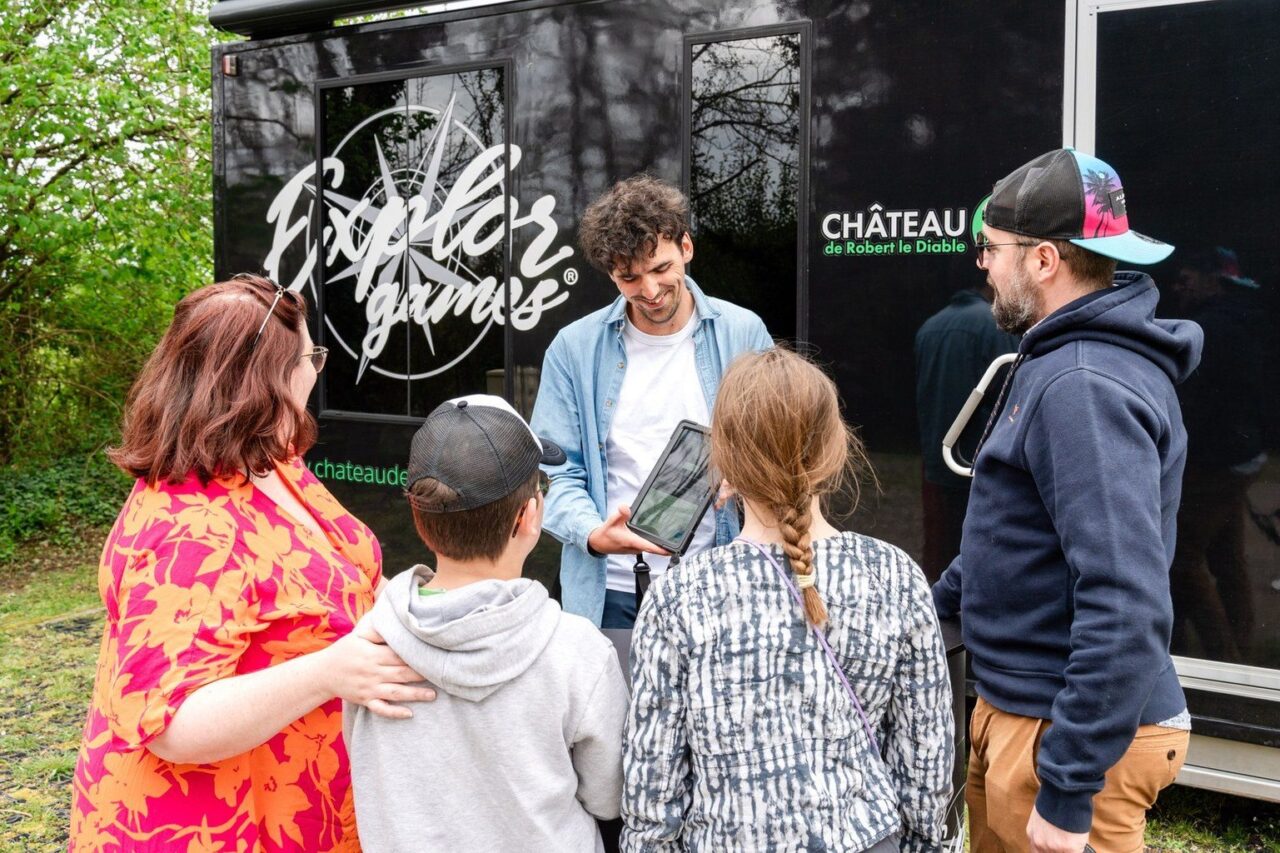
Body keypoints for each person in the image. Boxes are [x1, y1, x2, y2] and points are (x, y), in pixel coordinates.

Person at [69, 274, 436, 852]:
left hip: (304, 799)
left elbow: (347, 573)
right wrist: (329, 673)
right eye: (311, 356)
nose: (316, 370)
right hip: (211, 825)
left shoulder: (272, 461)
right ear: (267, 380)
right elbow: (172, 725)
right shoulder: (187, 530)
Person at [932, 149, 1203, 853]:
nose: (983, 264)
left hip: (1064, 730)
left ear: (1045, 259)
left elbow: (1126, 598)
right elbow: (1016, 535)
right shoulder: (1059, 358)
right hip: (1025, 709)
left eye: (990, 249)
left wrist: (1069, 784)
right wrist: (928, 606)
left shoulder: (1082, 383)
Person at [623, 347, 953, 852]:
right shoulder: (895, 577)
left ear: (725, 462)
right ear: (834, 450)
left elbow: (653, 790)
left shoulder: (678, 597)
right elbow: (926, 765)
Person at [345, 394, 629, 852]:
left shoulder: (368, 644)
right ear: (529, 517)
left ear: (418, 519)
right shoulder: (577, 653)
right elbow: (609, 796)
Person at [530, 174, 772, 628]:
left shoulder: (744, 333)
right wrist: (593, 534)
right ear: (610, 273)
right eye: (629, 277)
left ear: (686, 247)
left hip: (721, 582)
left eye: (660, 268)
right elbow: (555, 472)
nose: (650, 290)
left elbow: (776, 449)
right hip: (611, 590)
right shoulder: (573, 348)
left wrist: (747, 475)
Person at [1168, 247, 1268, 661]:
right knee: (1226, 556)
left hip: (1215, 461)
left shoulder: (1208, 329)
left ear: (1213, 281)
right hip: (1243, 453)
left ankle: (1222, 658)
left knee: (1182, 560)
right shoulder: (1246, 320)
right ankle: (1241, 646)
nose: (1178, 287)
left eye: (1186, 278)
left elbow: (1197, 402)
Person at [914, 196, 1020, 582]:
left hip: (936, 463)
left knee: (940, 554)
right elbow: (1012, 398)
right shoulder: (994, 325)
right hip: (975, 467)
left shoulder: (931, 325)